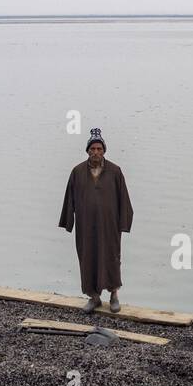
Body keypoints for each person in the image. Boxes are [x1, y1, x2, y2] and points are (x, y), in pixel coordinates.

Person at [58, 128, 133, 313]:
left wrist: (123, 224)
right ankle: (94, 297)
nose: (96, 152)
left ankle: (114, 295)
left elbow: (124, 200)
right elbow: (69, 199)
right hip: (86, 227)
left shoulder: (115, 171)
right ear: (87, 151)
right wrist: (69, 222)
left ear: (104, 150)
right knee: (87, 258)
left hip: (109, 227)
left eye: (99, 149)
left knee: (112, 258)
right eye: (92, 149)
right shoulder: (77, 172)